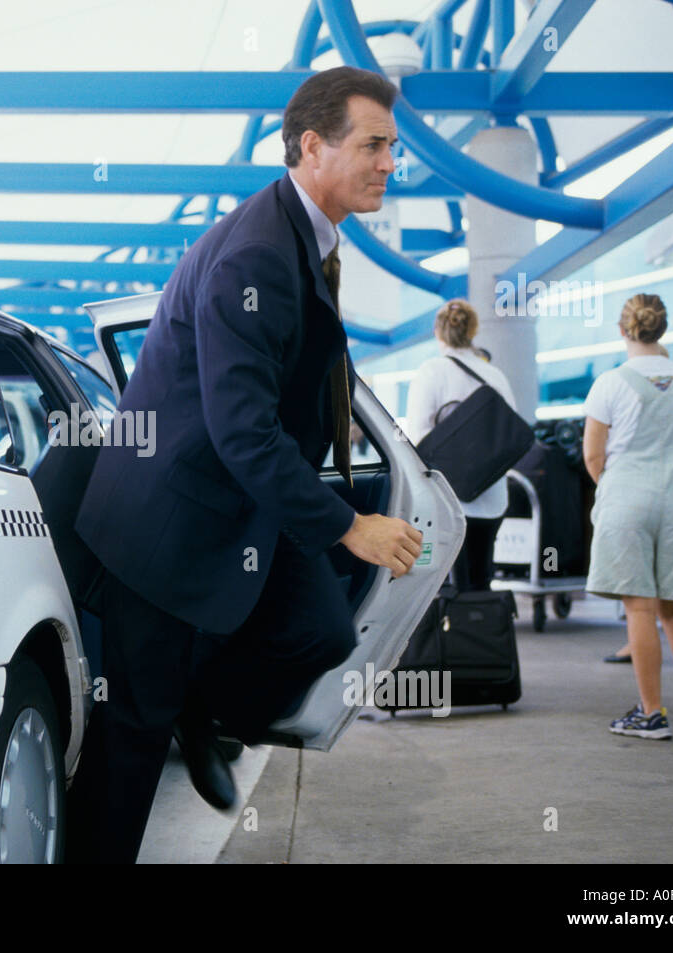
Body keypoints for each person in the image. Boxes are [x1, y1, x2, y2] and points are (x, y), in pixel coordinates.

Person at [65, 66, 424, 864]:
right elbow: (242, 430)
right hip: (164, 521)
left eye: (391, 148)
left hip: (240, 509)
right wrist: (350, 524)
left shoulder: (304, 236)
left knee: (321, 631)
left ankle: (201, 702)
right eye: (373, 145)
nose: (387, 164)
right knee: (131, 735)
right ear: (311, 145)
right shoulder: (258, 254)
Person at [582, 293, 673, 738]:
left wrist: (616, 491)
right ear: (661, 329)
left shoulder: (610, 382)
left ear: (623, 330)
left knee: (639, 609)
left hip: (627, 497)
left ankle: (652, 713)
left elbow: (592, 454)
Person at [602, 344, 673, 662]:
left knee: (638, 593)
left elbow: (594, 452)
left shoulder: (618, 384)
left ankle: (652, 705)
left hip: (632, 492)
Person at [405, 298, 519, 592]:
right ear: (473, 331)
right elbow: (510, 436)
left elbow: (417, 439)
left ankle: (451, 635)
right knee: (481, 582)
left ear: (437, 332)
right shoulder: (494, 375)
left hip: (448, 499)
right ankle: (483, 631)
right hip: (492, 497)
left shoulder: (431, 371)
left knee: (444, 587)